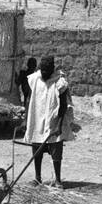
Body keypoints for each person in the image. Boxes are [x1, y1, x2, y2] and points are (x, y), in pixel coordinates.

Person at [23, 55, 70, 188]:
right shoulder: (35, 79)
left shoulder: (60, 82)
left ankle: (58, 180)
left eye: (45, 71)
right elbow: (28, 100)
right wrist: (26, 120)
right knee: (37, 150)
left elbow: (63, 106)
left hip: (53, 122)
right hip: (37, 120)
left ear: (51, 70)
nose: (43, 73)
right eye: (41, 70)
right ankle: (37, 178)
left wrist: (59, 125)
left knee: (56, 151)